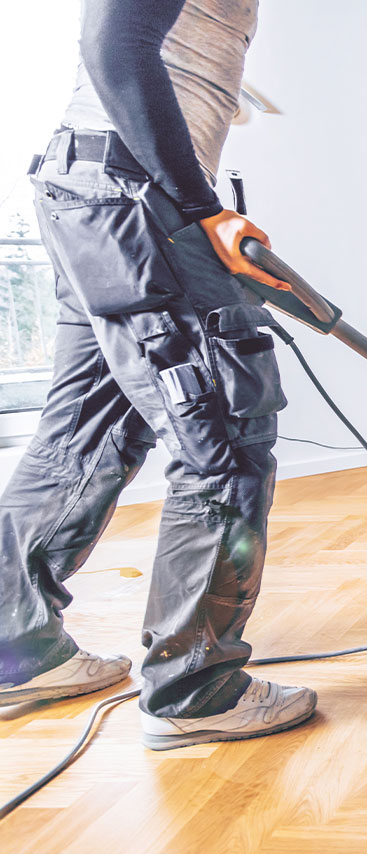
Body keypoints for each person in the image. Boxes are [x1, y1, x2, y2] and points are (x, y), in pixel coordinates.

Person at [0, 0, 316, 750]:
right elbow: (113, 44)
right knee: (225, 436)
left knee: (86, 430)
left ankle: (16, 652)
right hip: (133, 202)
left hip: (90, 190)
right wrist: (202, 206)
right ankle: (195, 690)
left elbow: (156, 50)